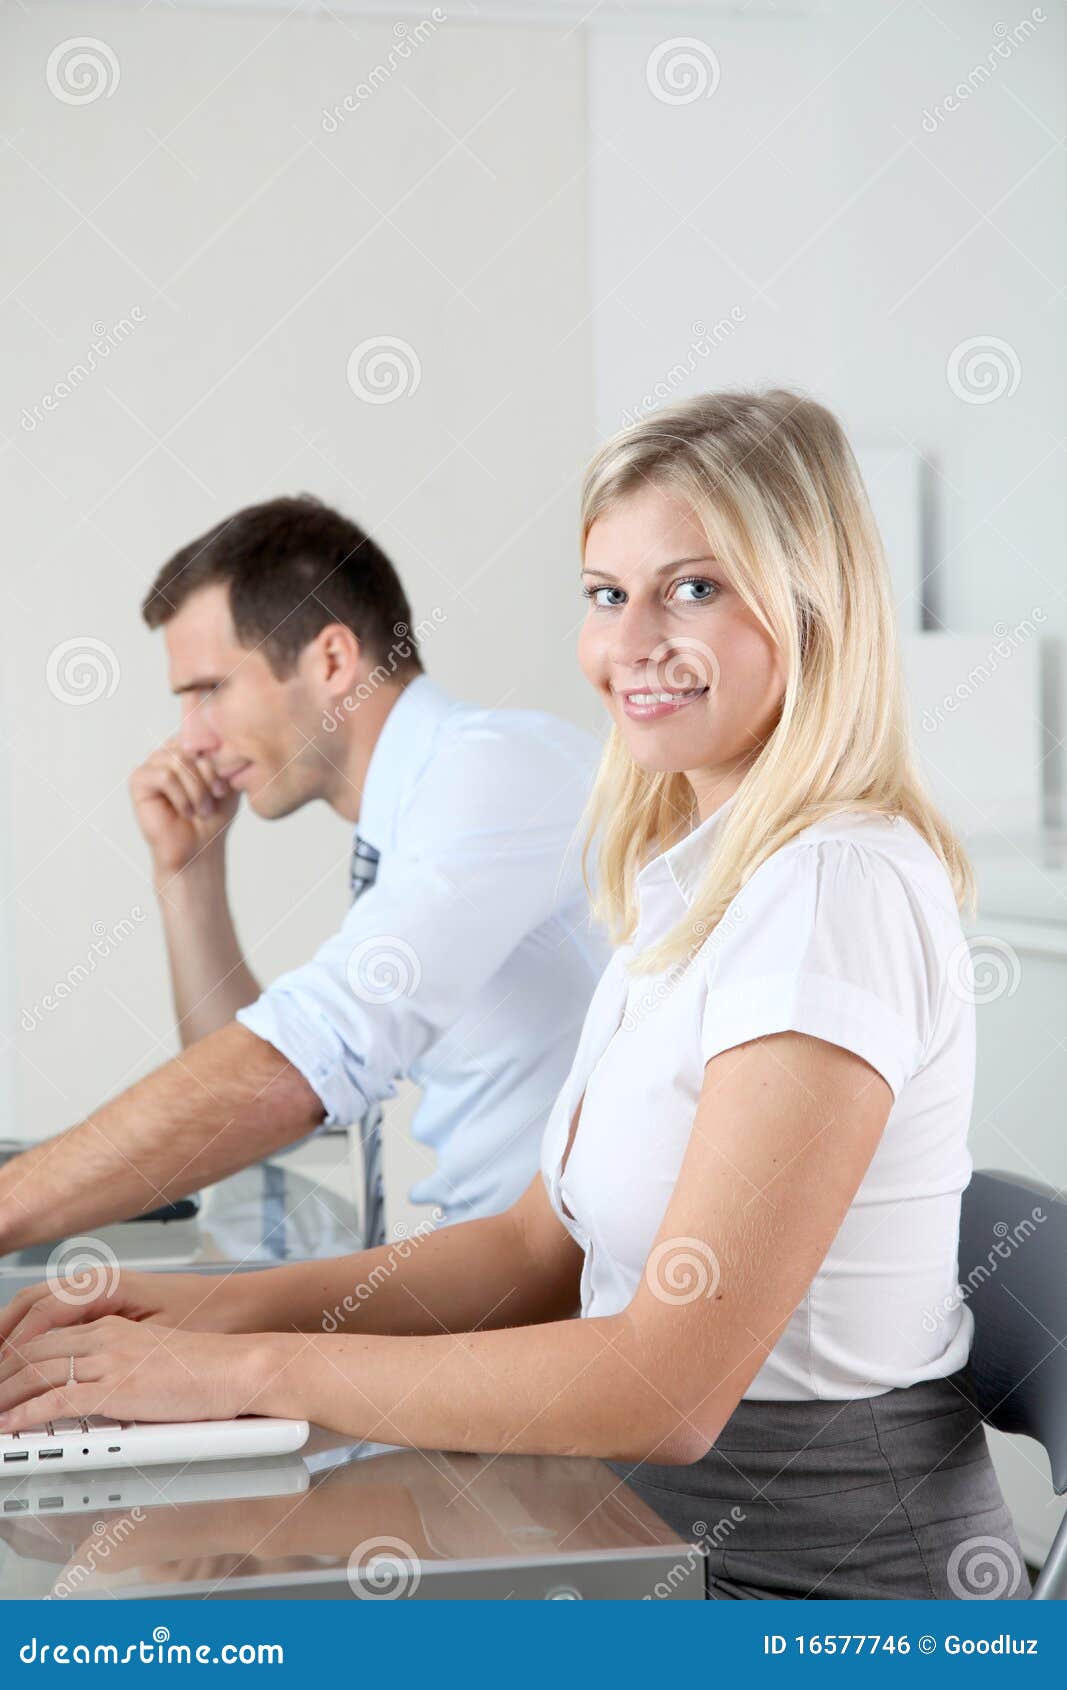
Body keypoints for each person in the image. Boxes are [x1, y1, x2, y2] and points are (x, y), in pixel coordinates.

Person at [0, 392, 1029, 1600]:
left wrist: (247, 1370)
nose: (630, 640)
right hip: (627, 1514)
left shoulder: (830, 888)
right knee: (136, 1588)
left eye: (692, 588)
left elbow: (667, 1386)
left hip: (802, 1589)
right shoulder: (687, 880)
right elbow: (536, 1248)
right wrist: (202, 1315)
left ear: (811, 603)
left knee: (140, 1627)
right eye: (605, 593)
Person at [0, 496, 605, 1249]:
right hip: (489, 1270)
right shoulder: (419, 809)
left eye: (209, 690)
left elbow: (307, 1060)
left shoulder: (496, 771)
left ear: (331, 662)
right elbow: (257, 1113)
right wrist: (188, 874)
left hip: (561, 1295)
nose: (190, 738)